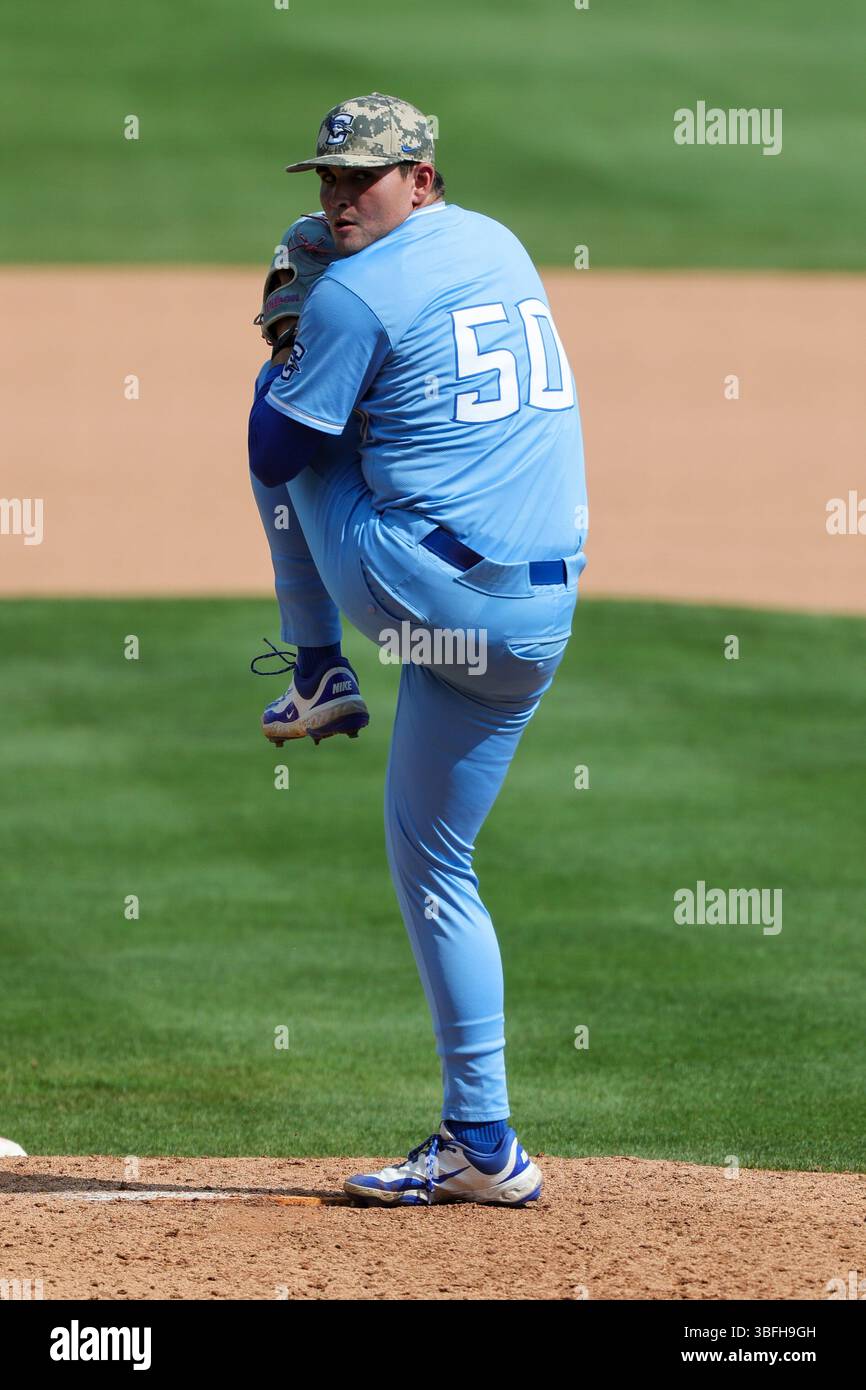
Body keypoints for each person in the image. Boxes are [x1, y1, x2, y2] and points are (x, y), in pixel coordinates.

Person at [247, 92, 588, 1206]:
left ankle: (316, 671)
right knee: (435, 866)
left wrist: (295, 337)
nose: (342, 196)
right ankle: (484, 1145)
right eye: (330, 179)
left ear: (421, 179)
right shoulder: (497, 241)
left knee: (276, 420)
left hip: (426, 593)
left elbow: (275, 445)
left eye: (366, 178)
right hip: (535, 622)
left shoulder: (354, 295)